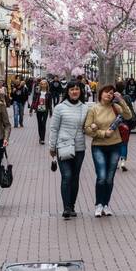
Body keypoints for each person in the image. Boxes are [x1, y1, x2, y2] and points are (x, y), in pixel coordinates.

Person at [83, 84, 134, 216]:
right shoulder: (93, 109)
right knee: (101, 177)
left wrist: (121, 100)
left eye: (111, 93)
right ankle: (98, 204)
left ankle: (106, 204)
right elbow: (87, 129)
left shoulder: (115, 107)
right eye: (106, 92)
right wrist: (102, 133)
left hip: (115, 145)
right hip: (98, 146)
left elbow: (128, 116)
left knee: (110, 178)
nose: (109, 95)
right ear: (100, 94)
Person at [47, 81, 91, 218]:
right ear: (68, 91)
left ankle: (72, 206)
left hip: (79, 147)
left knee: (75, 177)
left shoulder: (85, 108)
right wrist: (52, 146)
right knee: (66, 176)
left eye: (77, 89)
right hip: (63, 146)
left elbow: (88, 126)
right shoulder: (60, 108)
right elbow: (54, 128)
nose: (74, 92)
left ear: (80, 92)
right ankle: (66, 207)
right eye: (72, 89)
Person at [115, 84, 136, 172]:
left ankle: (115, 162)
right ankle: (123, 161)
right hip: (126, 123)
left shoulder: (113, 98)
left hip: (116, 123)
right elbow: (131, 109)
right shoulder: (127, 97)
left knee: (115, 143)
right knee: (124, 143)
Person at [31, 78, 52, 144]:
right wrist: (31, 110)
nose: (43, 85)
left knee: (43, 124)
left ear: (46, 85)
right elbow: (34, 101)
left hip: (45, 110)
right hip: (39, 110)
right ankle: (40, 137)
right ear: (40, 85)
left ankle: (43, 139)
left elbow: (50, 103)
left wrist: (51, 111)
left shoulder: (48, 93)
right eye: (42, 84)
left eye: (44, 84)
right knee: (39, 124)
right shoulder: (38, 93)